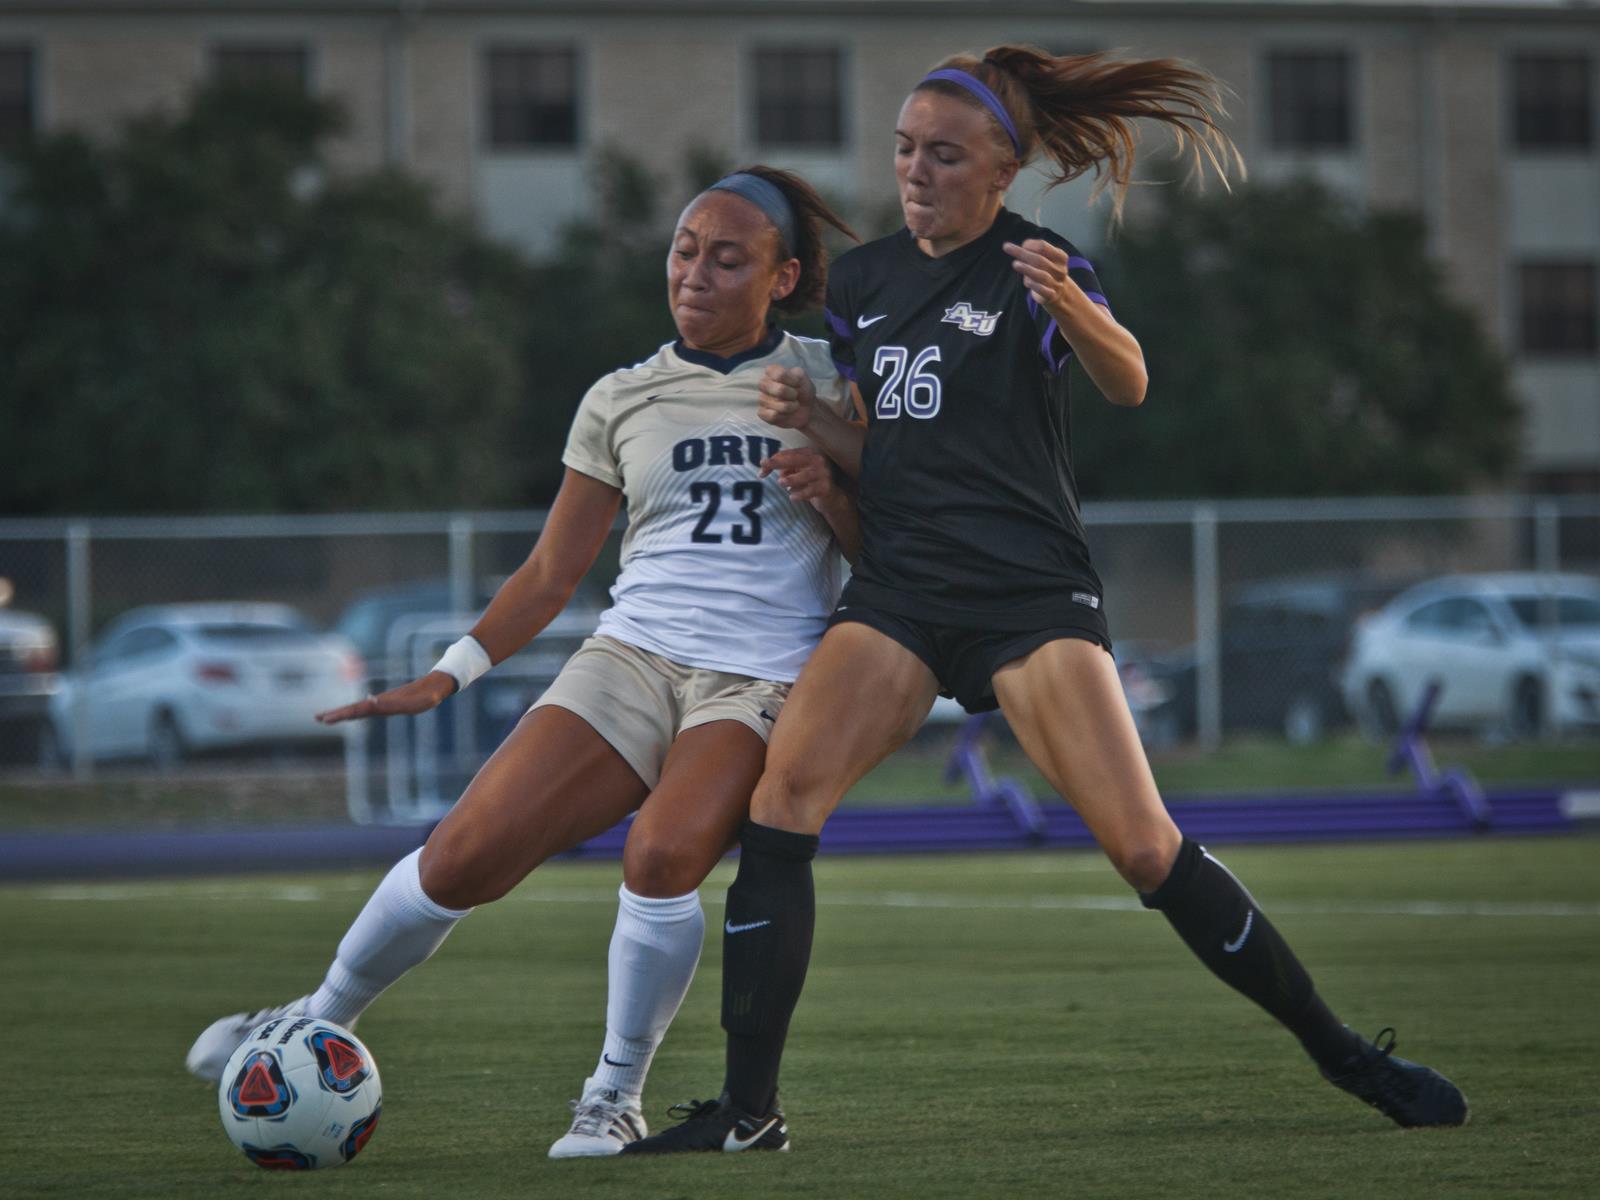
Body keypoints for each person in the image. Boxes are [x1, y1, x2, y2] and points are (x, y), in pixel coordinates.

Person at [624, 46, 1468, 1154]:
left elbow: (1127, 379)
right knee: (780, 810)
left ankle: (1346, 1055)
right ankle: (748, 1113)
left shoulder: (1038, 266)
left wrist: (1073, 305)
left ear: (1002, 170)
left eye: (944, 154)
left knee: (1142, 848)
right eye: (905, 149)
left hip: (1027, 594)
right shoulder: (867, 284)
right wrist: (818, 426)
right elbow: (891, 449)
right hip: (905, 591)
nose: (916, 170)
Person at [185, 165, 864, 1158]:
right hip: (631, 657)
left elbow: (891, 542)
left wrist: (835, 491)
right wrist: (449, 672)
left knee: (663, 855)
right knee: (461, 854)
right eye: (684, 250)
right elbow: (552, 572)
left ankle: (611, 1097)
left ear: (783, 274)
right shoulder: (621, 396)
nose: (696, 272)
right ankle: (313, 1015)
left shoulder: (832, 380)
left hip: (757, 676)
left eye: (728, 257)